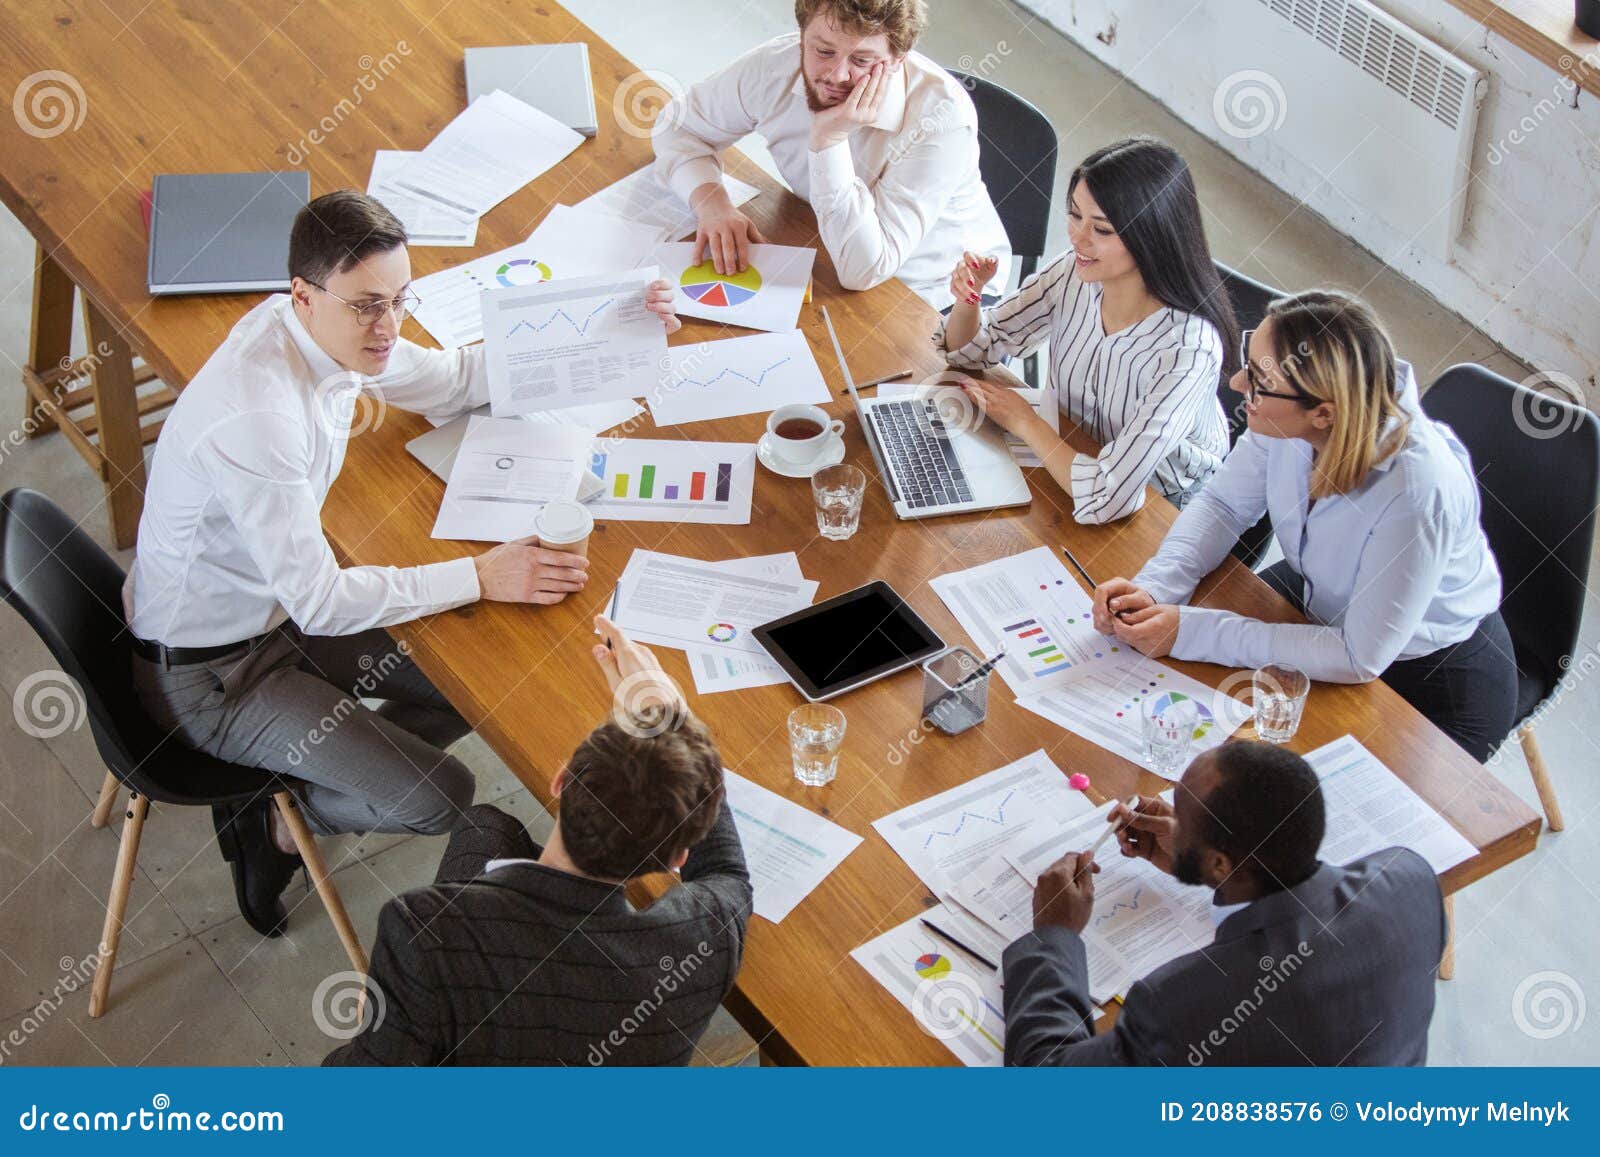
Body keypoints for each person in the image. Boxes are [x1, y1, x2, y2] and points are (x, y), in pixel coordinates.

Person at [125, 190, 684, 937]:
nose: (388, 327)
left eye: (399, 299)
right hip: (212, 674)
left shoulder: (328, 331)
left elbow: (451, 381)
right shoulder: (260, 418)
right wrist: (481, 574)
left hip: (276, 614)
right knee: (440, 794)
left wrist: (612, 325)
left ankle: (334, 747)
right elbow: (323, 602)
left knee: (472, 680)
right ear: (302, 295)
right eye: (367, 306)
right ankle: (275, 823)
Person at [1092, 290, 1516, 762]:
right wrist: (1156, 588)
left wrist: (1187, 631)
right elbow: (1223, 505)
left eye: (1258, 382)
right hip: (1317, 603)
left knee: (1304, 804)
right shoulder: (1290, 418)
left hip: (1430, 676)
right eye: (1248, 365)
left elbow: (1359, 657)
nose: (1235, 383)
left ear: (1324, 413)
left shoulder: (1417, 492)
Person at [324, 616, 752, 1067]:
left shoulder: (422, 933)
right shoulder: (702, 948)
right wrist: (675, 724)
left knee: (482, 829)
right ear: (677, 860)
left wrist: (359, 1039)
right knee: (483, 827)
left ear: (561, 780)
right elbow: (728, 873)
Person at [1003, 741, 1448, 1066]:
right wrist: (1196, 860)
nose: (1171, 818)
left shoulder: (1181, 1005)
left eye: (1182, 812)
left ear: (1221, 863)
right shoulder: (1408, 876)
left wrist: (1054, 935)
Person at [939, 136, 1238, 523]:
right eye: (1074, 215)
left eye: (1102, 229)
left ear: (1152, 236)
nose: (1078, 238)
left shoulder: (1188, 350)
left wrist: (1024, 421)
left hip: (1161, 501)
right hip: (1069, 447)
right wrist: (970, 298)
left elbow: (1110, 496)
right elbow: (972, 352)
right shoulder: (1074, 272)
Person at [652, 0, 1009, 310]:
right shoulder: (774, 66)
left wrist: (830, 139)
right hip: (825, 243)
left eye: (861, 60)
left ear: (898, 59)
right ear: (803, 35)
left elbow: (864, 270)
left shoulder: (941, 118)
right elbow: (677, 126)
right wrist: (711, 203)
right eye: (823, 51)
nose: (837, 75)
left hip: (933, 293)